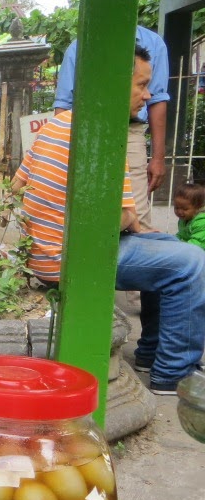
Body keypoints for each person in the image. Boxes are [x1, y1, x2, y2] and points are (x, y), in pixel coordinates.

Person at [15, 46, 205, 395]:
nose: (147, 95)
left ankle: (151, 353)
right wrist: (133, 222)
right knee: (192, 263)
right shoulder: (99, 134)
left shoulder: (60, 122)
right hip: (72, 259)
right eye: (142, 85)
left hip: (53, 250)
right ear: (116, 84)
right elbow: (121, 218)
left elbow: (15, 186)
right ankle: (174, 376)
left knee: (173, 246)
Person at [54, 25, 170, 230]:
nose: (146, 94)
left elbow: (158, 99)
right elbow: (64, 104)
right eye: (142, 86)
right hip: (85, 133)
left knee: (137, 218)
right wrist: (60, 150)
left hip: (130, 132)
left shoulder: (152, 43)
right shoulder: (80, 46)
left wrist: (158, 158)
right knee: (82, 209)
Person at [174, 181, 205, 251]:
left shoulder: (201, 222)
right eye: (176, 207)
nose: (179, 211)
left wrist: (178, 248)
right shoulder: (184, 219)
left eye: (185, 209)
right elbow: (182, 234)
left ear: (197, 207)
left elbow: (197, 243)